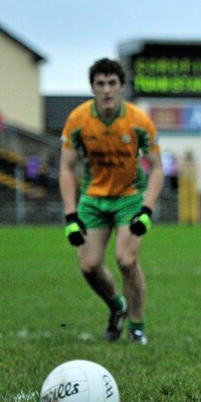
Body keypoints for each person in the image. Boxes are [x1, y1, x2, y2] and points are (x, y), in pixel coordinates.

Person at [59, 58, 163, 346]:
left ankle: (137, 326)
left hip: (129, 198)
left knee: (126, 260)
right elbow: (66, 168)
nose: (106, 89)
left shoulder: (139, 122)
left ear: (121, 86)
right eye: (100, 84)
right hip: (93, 200)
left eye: (111, 83)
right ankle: (118, 307)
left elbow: (157, 168)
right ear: (92, 87)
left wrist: (147, 210)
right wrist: (70, 215)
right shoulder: (78, 120)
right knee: (89, 266)